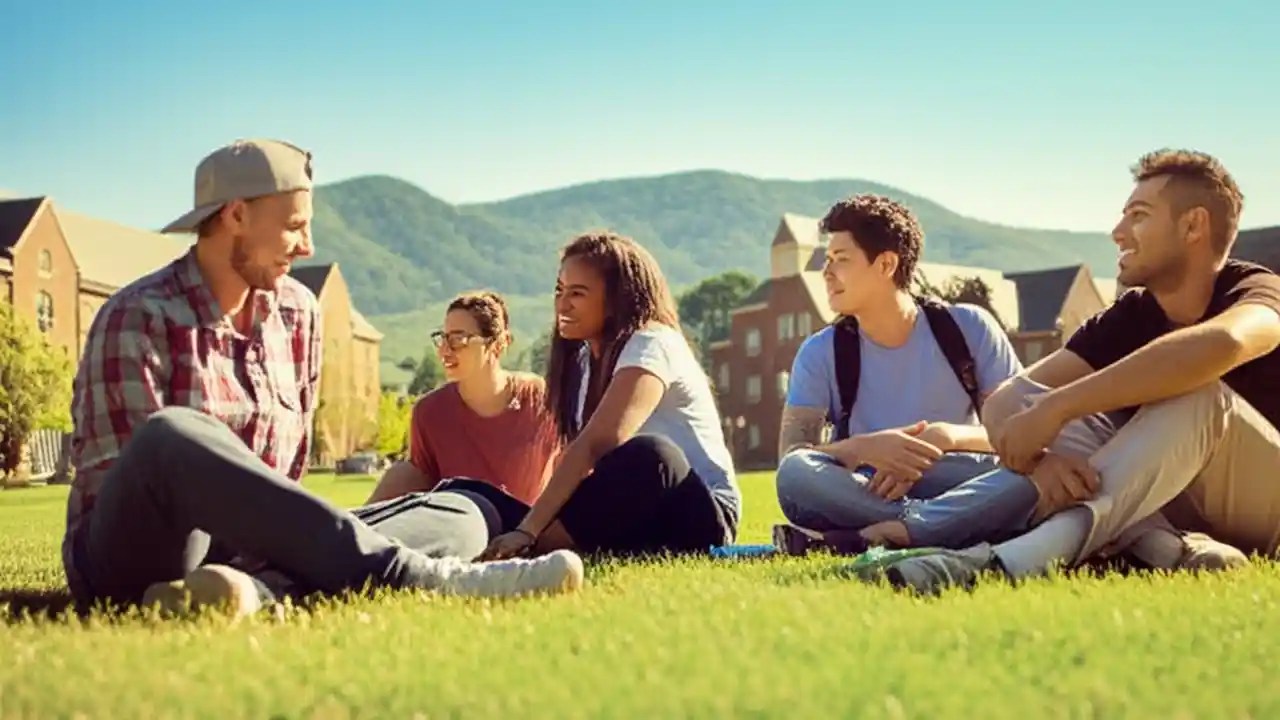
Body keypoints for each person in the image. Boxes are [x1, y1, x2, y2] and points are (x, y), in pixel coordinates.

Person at [63, 139, 582, 618]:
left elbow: (284, 483)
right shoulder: (139, 316)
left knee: (463, 509)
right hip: (134, 560)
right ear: (237, 214)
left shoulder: (298, 314)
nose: (307, 246)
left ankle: (251, 596)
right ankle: (419, 576)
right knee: (169, 436)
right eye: (294, 226)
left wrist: (277, 553)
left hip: (246, 555)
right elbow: (128, 485)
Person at [867, 148, 1280, 593]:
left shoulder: (1256, 291)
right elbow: (1009, 399)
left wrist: (1060, 406)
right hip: (1175, 500)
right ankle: (1174, 549)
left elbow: (1226, 343)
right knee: (1051, 419)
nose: (1117, 233)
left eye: (1138, 216)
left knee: (1197, 393)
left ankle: (1002, 562)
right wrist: (1045, 460)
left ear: (1193, 225)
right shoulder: (1130, 316)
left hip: (1269, 505)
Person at [771, 193, 1039, 556]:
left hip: (955, 475)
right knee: (796, 474)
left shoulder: (968, 328)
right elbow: (794, 455)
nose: (827, 272)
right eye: (827, 259)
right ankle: (938, 525)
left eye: (841, 259)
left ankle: (890, 532)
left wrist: (945, 437)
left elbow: (1018, 434)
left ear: (885, 265)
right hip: (866, 487)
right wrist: (867, 448)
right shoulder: (820, 352)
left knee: (1028, 479)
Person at [478, 231, 741, 560]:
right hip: (631, 510)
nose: (563, 303)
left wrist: (527, 530)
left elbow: (599, 443)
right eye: (559, 291)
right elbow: (576, 463)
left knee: (652, 455)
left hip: (699, 514)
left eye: (578, 293)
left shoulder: (652, 343)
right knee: (474, 493)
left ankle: (531, 549)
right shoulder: (583, 364)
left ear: (617, 298)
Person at [365, 290, 560, 507]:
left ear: (497, 344)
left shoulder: (539, 399)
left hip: (527, 532)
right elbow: (417, 480)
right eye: (443, 339)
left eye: (459, 339)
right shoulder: (430, 413)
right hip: (463, 530)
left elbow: (569, 467)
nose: (445, 351)